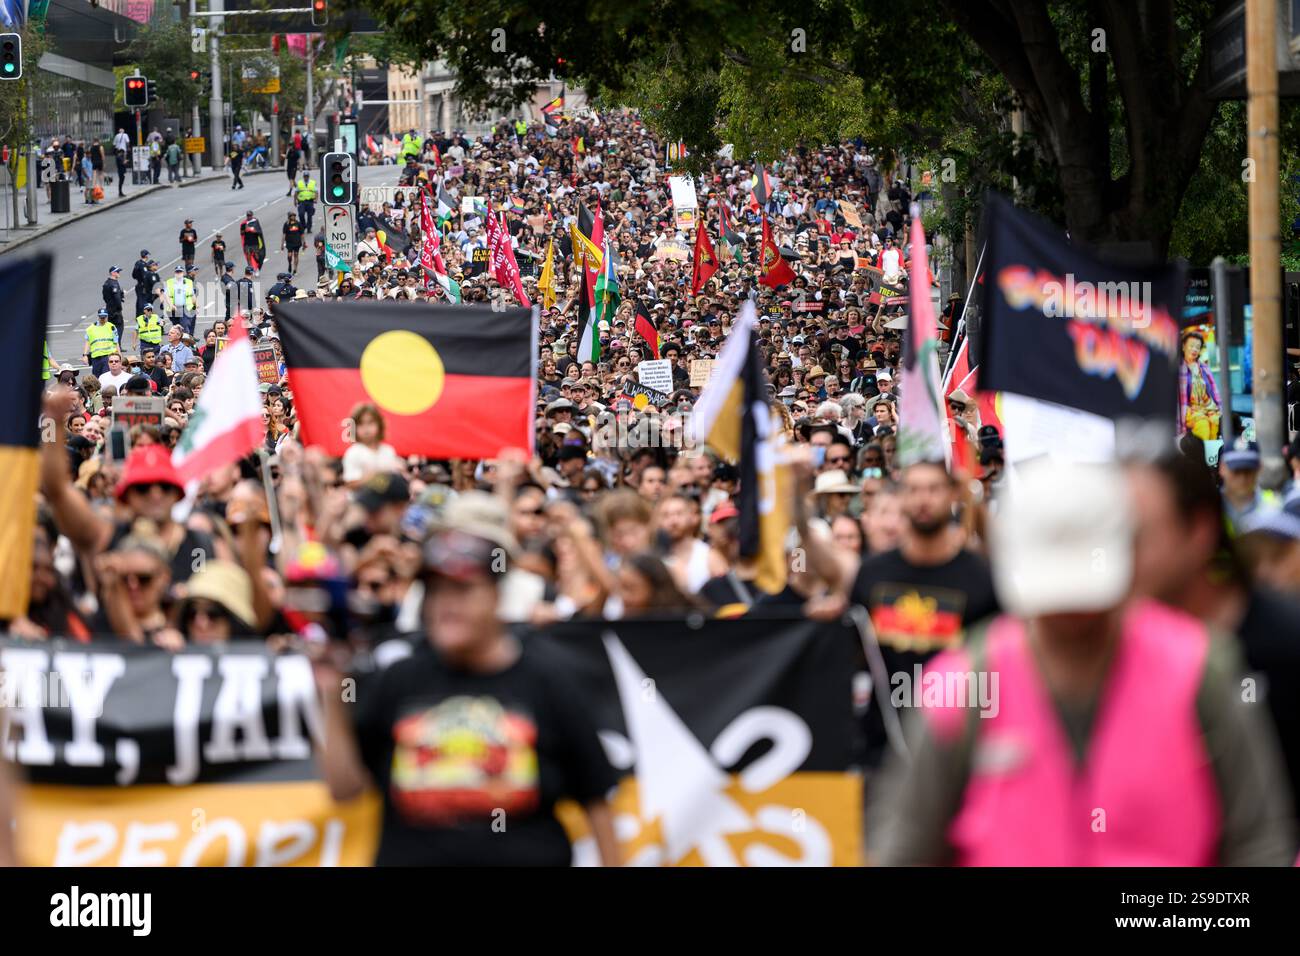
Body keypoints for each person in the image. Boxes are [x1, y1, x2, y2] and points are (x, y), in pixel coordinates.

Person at [869, 459, 1294, 865]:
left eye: (1089, 600)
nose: (1072, 619)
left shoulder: (1199, 669)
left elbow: (1258, 840)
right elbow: (906, 845)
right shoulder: (965, 685)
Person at [312, 522, 622, 866]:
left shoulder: (548, 681)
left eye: (462, 589)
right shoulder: (398, 680)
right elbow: (345, 789)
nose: (446, 605)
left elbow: (597, 802)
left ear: (496, 596)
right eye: (436, 591)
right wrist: (331, 693)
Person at [848, 459, 999, 768]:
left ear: (952, 495)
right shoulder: (872, 574)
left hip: (958, 756)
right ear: (901, 497)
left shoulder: (981, 578)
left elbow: (996, 667)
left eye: (933, 489)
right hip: (883, 753)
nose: (923, 499)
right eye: (914, 490)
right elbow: (850, 652)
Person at [83, 309, 119, 377]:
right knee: (97, 378)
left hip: (108, 356)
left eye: (104, 317)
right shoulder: (90, 329)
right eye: (101, 317)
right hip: (96, 358)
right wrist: (85, 355)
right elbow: (87, 342)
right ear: (98, 317)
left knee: (107, 376)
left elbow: (116, 342)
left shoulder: (112, 327)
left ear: (107, 316)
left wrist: (119, 356)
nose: (102, 319)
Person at [101, 265, 125, 343]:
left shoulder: (106, 283)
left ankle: (111, 343)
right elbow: (117, 298)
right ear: (113, 273)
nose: (119, 273)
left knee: (110, 327)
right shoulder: (113, 284)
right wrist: (119, 308)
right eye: (117, 272)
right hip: (115, 309)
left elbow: (104, 297)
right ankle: (117, 345)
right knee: (119, 326)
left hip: (109, 308)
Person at [241, 210, 266, 274]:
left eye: (250, 215)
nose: (248, 217)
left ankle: (257, 268)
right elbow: (241, 233)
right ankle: (251, 271)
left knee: (257, 257)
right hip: (247, 243)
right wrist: (245, 230)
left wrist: (253, 231)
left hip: (255, 243)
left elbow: (259, 231)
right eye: (247, 215)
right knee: (248, 256)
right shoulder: (244, 223)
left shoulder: (255, 222)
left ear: (252, 215)